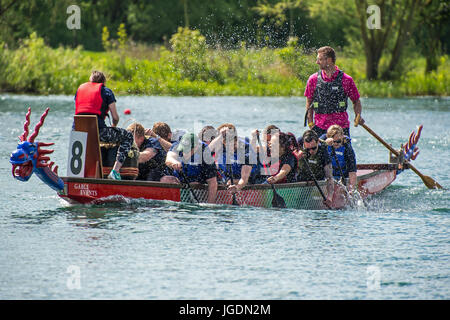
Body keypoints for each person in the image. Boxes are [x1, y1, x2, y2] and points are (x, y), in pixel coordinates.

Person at [74, 70, 133, 180]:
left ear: (90, 81)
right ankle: (115, 172)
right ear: (103, 82)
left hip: (77, 133)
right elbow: (115, 117)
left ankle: (77, 174)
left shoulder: (80, 90)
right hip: (98, 131)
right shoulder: (106, 91)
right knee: (128, 136)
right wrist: (113, 126)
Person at [304, 46, 364, 137]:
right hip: (319, 128)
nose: (317, 62)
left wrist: (358, 115)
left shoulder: (346, 80)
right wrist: (311, 124)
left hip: (341, 129)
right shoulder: (313, 79)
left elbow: (356, 101)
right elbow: (309, 102)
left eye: (320, 59)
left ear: (329, 60)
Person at [209, 123, 264, 194]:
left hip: (252, 179)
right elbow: (207, 151)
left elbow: (244, 179)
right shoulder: (221, 146)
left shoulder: (246, 150)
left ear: (235, 139)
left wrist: (237, 187)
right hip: (229, 178)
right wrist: (220, 135)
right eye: (224, 141)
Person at [165, 133, 218, 203]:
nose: (185, 152)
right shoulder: (177, 145)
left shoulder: (205, 153)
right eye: (184, 149)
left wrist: (210, 205)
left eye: (188, 150)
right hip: (180, 179)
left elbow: (212, 182)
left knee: (194, 183)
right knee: (166, 179)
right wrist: (174, 162)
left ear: (196, 147)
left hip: (198, 183)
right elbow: (169, 158)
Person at [296, 130, 334, 207]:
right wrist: (296, 156)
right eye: (308, 149)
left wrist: (329, 197)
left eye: (313, 148)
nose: (311, 151)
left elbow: (329, 177)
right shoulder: (298, 143)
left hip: (317, 179)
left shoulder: (323, 151)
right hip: (300, 178)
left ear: (318, 142)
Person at [321, 124, 357, 193]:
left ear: (342, 138)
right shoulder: (322, 143)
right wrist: (325, 144)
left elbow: (352, 171)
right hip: (327, 177)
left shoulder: (347, 147)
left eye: (339, 141)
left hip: (342, 177)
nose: (336, 144)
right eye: (334, 142)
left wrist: (351, 189)